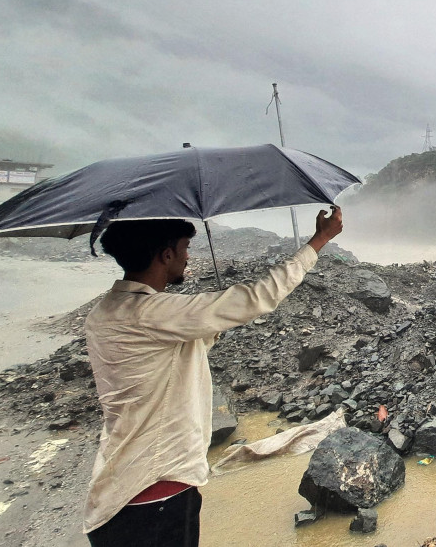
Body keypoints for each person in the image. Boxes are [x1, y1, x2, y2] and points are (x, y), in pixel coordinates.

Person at [82, 206, 344, 546]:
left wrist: (212, 326)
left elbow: (166, 356)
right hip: (156, 494)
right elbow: (257, 296)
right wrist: (320, 239)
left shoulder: (105, 313)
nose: (188, 258)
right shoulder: (153, 313)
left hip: (118, 488)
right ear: (166, 254)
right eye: (184, 249)